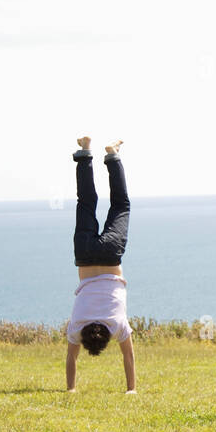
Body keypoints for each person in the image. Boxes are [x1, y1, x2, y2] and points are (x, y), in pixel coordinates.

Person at [66, 136, 136, 394]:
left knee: (121, 205)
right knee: (85, 203)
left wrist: (132, 389)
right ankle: (84, 152)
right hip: (84, 254)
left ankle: (112, 155)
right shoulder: (76, 325)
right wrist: (70, 389)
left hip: (110, 255)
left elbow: (128, 357)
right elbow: (70, 359)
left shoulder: (117, 325)